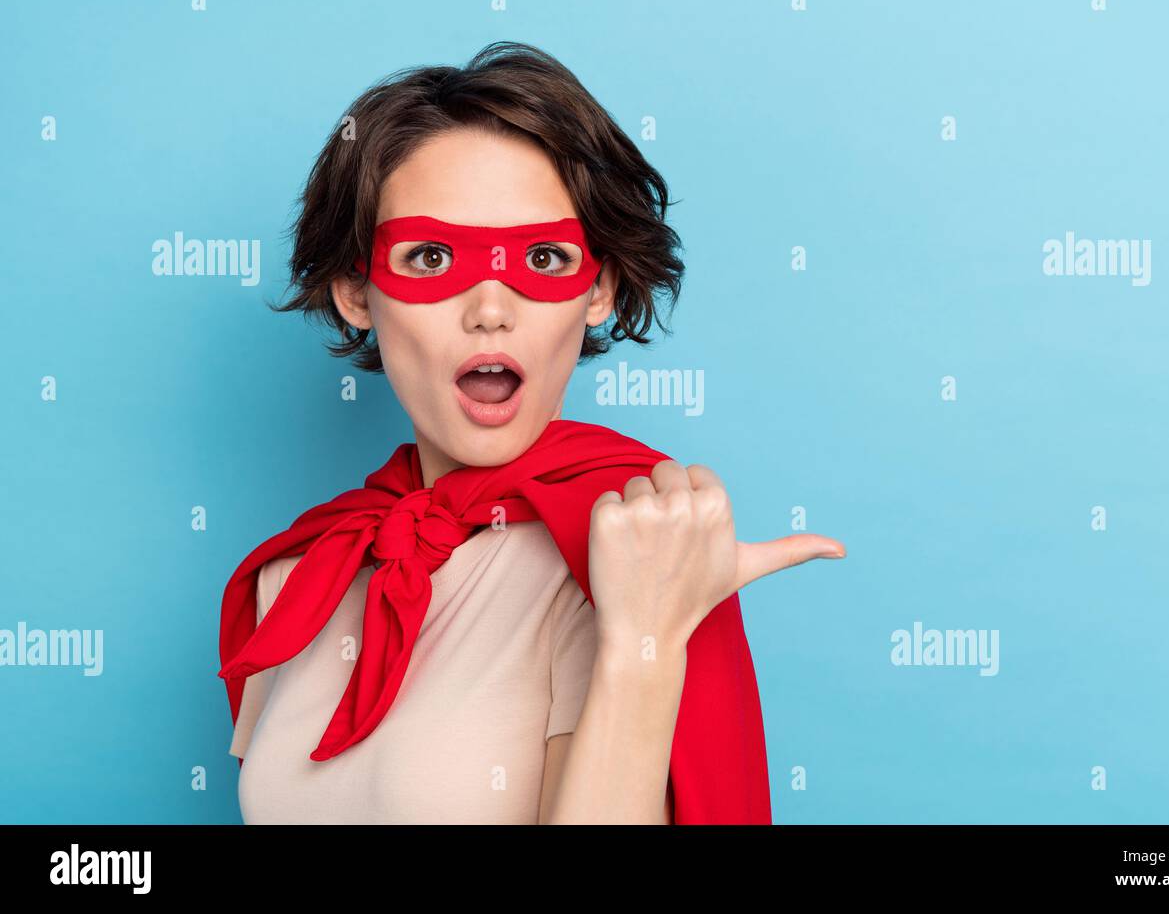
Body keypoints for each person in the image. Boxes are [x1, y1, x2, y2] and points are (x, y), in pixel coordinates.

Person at [221, 41, 845, 824]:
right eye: (433, 256)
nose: (490, 307)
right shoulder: (301, 577)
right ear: (356, 290)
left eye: (542, 258)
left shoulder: (620, 567)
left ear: (597, 289)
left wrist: (643, 644)